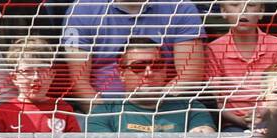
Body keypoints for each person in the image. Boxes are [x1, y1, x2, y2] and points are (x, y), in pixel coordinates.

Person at [84, 39, 218, 138]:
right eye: (138, 67)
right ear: (121, 73)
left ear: (166, 70)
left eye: (156, 66)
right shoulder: (103, 112)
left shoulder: (192, 108)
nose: (148, 73)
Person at [61, 0, 205, 103]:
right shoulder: (81, 10)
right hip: (104, 110)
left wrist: (152, 109)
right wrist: (105, 117)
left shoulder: (181, 7)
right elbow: (79, 82)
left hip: (167, 107)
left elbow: (189, 75)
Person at [205, 0, 277, 132]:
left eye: (251, 5)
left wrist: (262, 114)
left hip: (271, 120)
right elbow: (216, 101)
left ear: (261, 12)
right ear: (223, 11)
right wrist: (241, 120)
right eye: (234, 5)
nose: (243, 10)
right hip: (232, 124)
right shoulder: (214, 49)